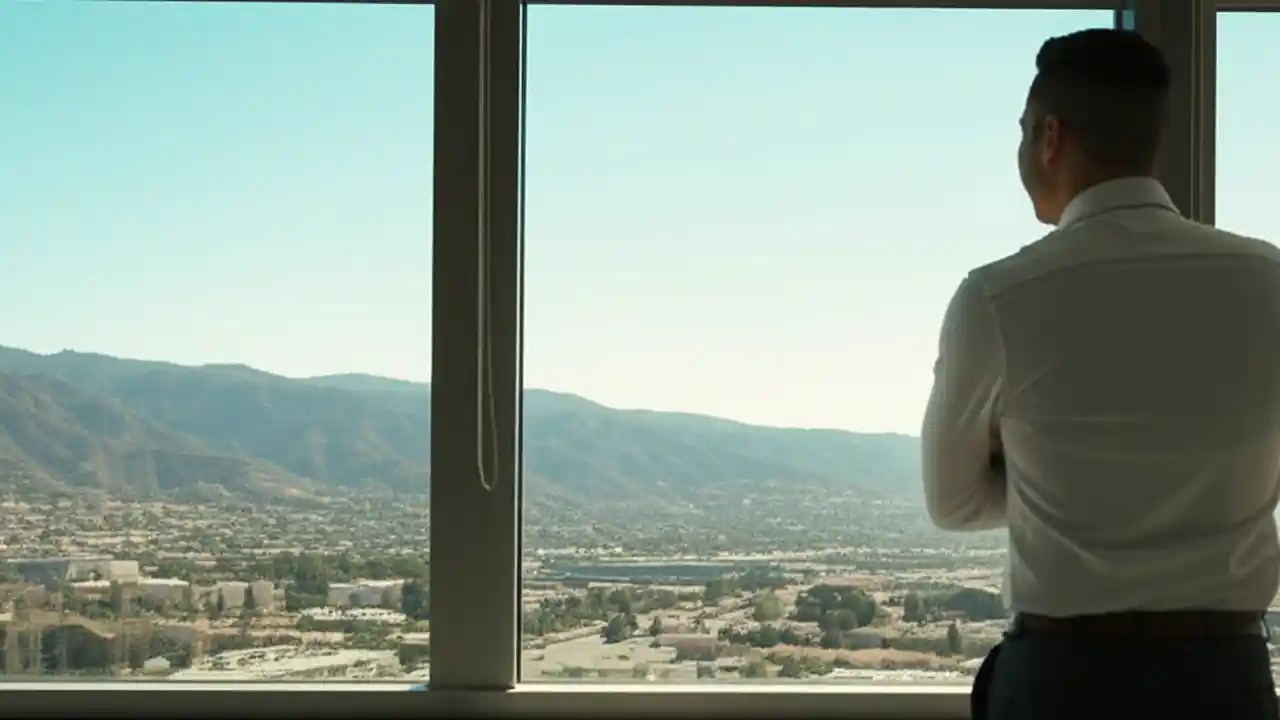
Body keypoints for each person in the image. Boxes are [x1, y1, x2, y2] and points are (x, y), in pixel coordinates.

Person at [922, 28, 1280, 720]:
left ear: (1049, 137)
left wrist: (1045, 480)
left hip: (1061, 682)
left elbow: (952, 501)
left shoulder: (997, 298)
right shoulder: (1270, 284)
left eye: (1023, 131)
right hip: (1223, 684)